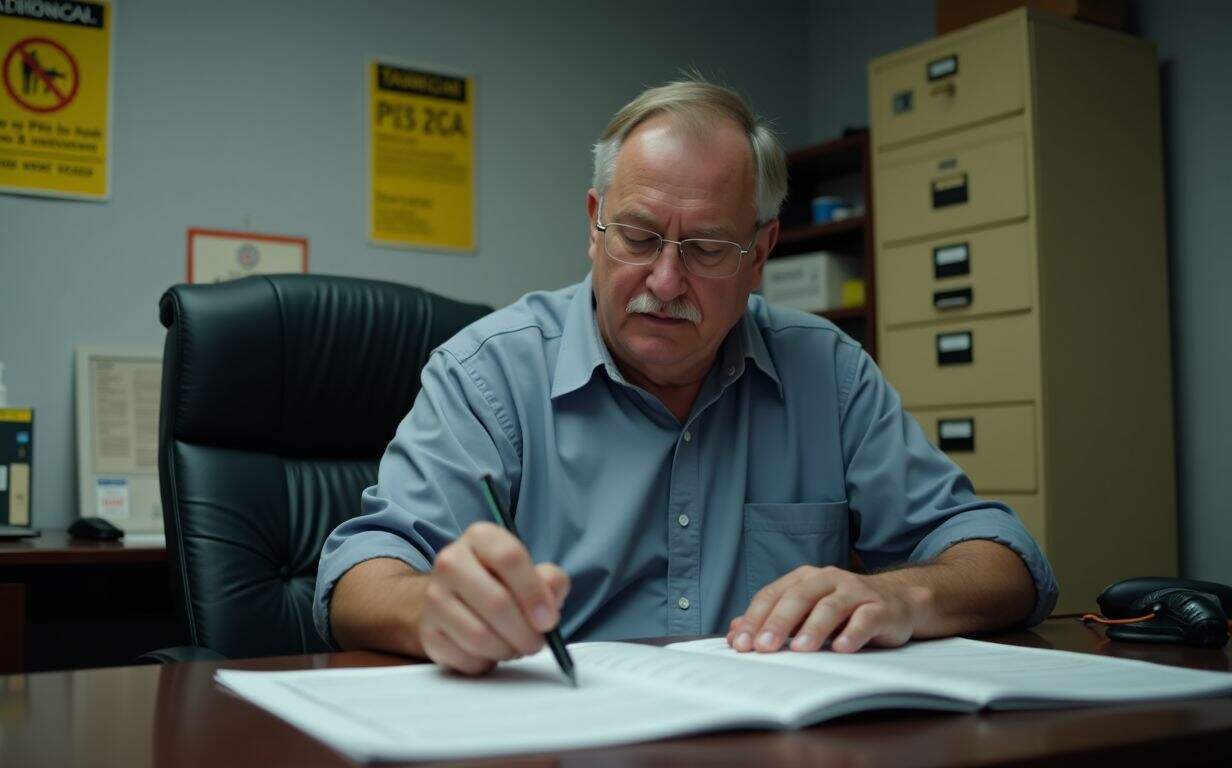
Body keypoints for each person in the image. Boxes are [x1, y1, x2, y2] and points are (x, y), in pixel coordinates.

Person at [314, 78, 1057, 674]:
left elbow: (1000, 556)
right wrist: (434, 609)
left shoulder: (825, 370)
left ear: (760, 252)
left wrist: (901, 595)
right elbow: (359, 575)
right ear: (594, 222)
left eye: (705, 249)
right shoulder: (489, 373)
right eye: (638, 237)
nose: (665, 281)